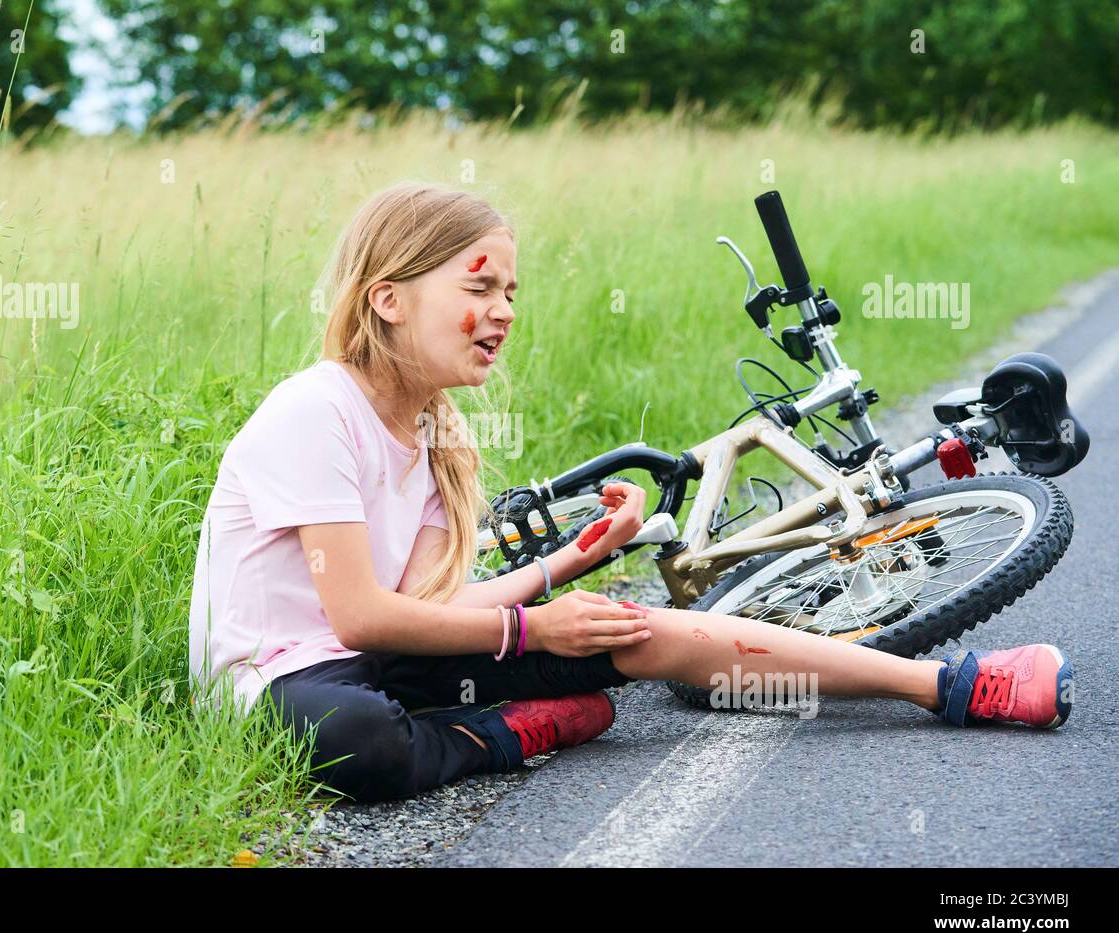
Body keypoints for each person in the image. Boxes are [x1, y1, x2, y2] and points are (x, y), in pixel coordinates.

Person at [188, 182, 1073, 803]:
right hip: (282, 680)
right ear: (386, 298)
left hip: (394, 663)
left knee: (638, 628)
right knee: (357, 739)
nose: (502, 310)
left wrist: (572, 565)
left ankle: (945, 684)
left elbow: (433, 607)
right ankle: (493, 736)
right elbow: (359, 619)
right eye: (478, 286)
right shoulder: (315, 410)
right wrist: (536, 628)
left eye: (510, 291)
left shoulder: (436, 430)